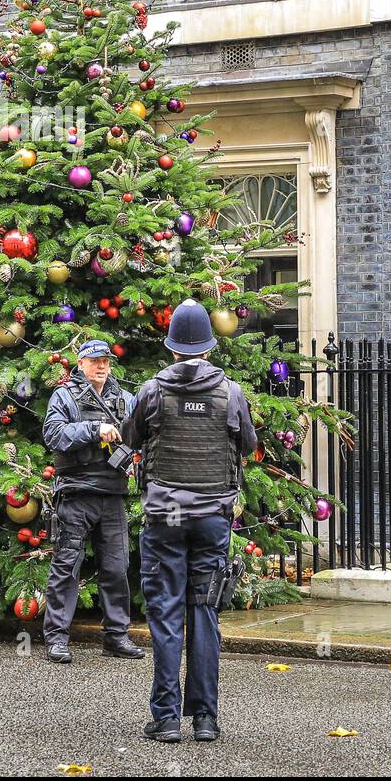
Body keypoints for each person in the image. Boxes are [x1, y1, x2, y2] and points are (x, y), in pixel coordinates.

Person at [122, 299, 258, 744]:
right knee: (204, 614)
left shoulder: (152, 391)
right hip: (213, 519)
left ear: (173, 348)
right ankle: (204, 719)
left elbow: (130, 438)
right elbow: (247, 445)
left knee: (164, 615)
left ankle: (165, 719)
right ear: (208, 346)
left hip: (165, 518)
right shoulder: (231, 392)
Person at [41, 339, 146, 664]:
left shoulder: (125, 400)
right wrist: (93, 429)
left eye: (106, 361)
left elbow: (142, 433)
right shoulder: (65, 396)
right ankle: (57, 639)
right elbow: (54, 435)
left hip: (112, 496)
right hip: (76, 493)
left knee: (116, 568)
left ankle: (116, 637)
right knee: (66, 567)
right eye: (95, 361)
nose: (102, 366)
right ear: (81, 363)